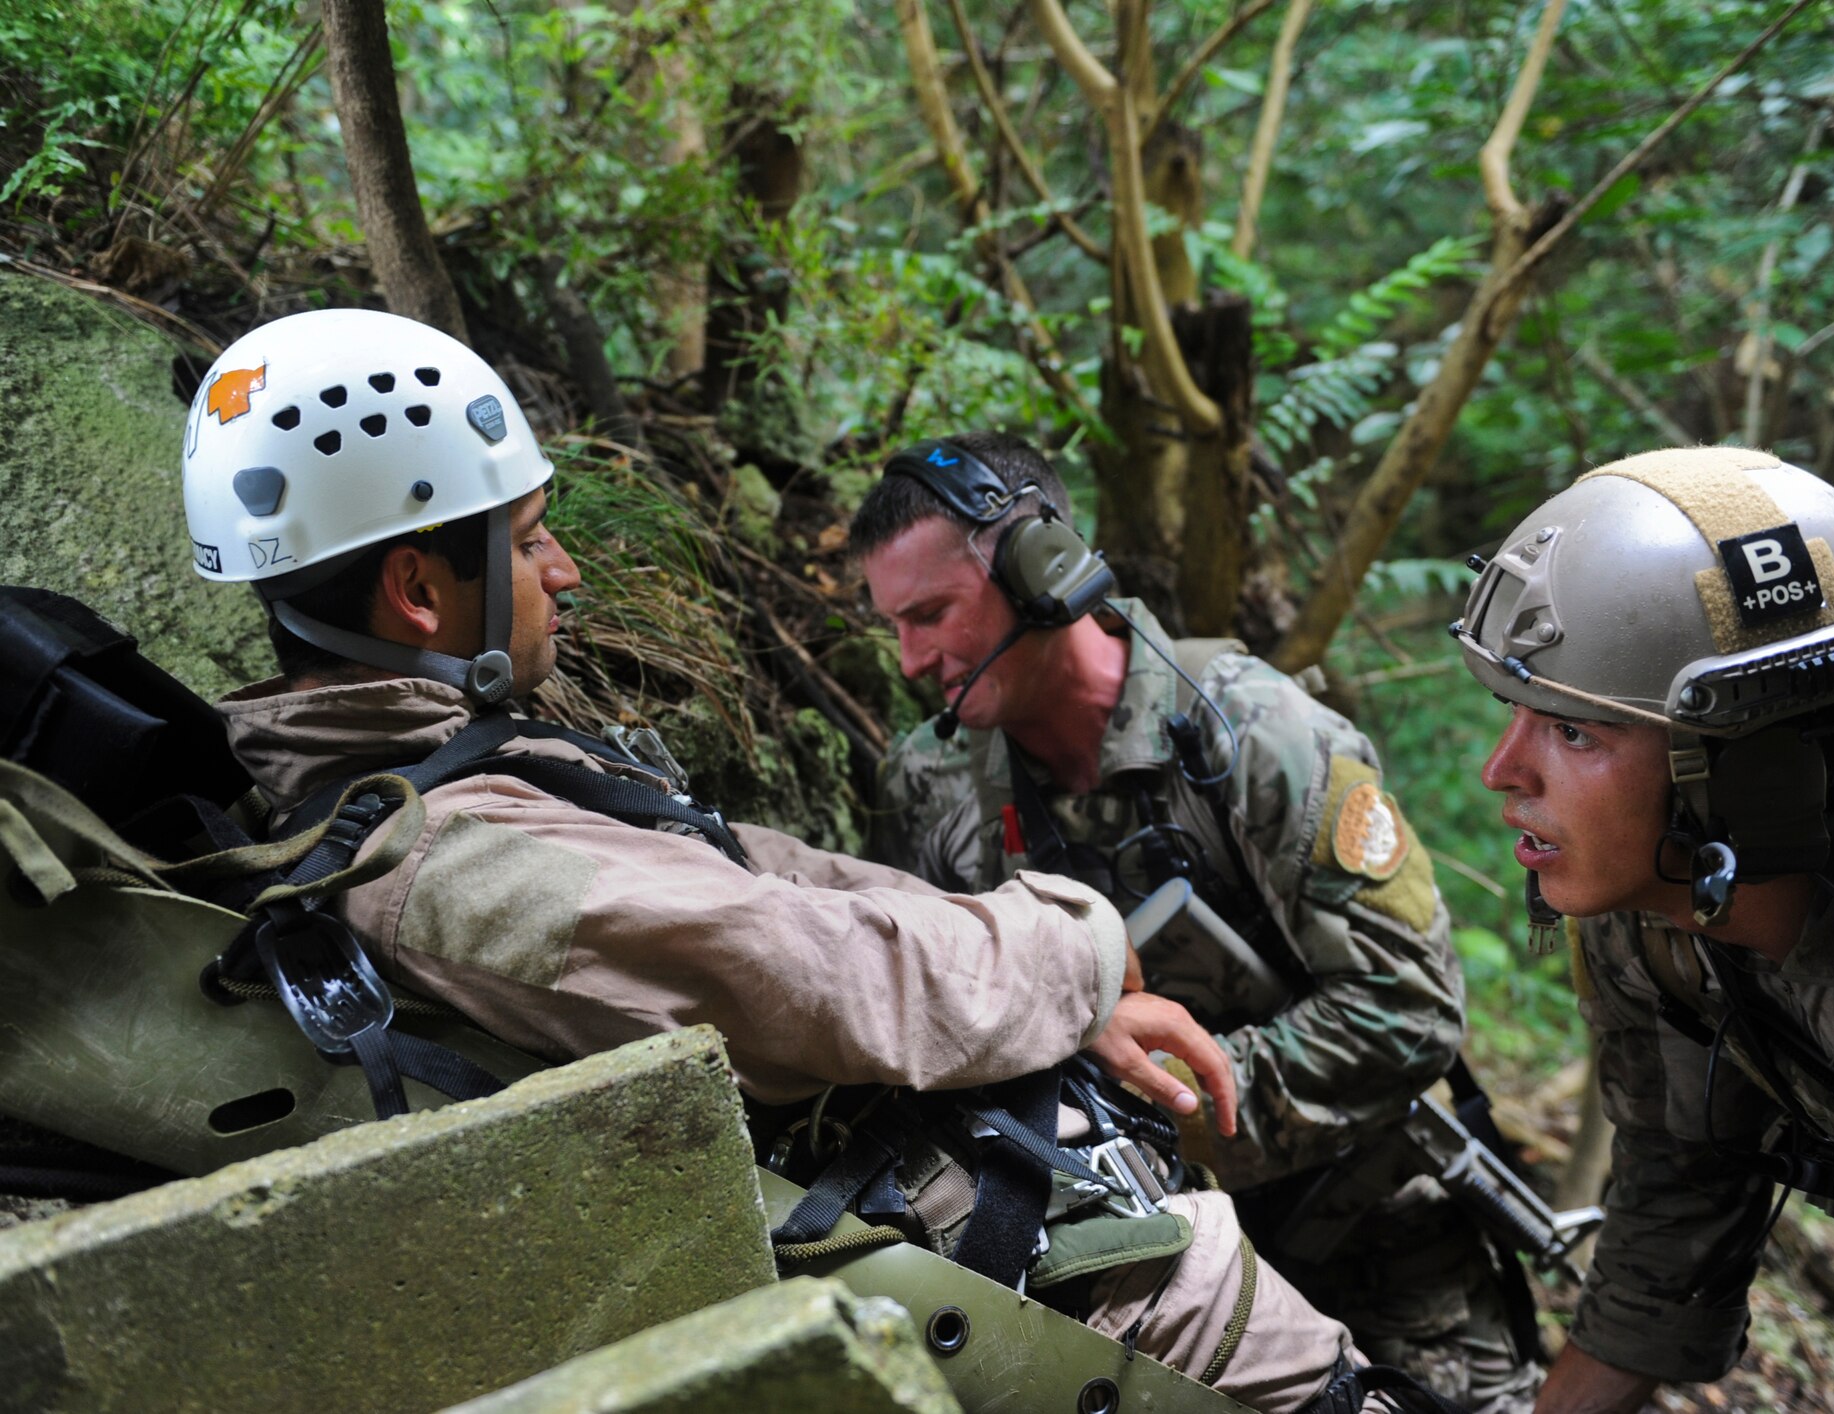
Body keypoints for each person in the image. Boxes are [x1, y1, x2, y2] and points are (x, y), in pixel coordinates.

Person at [179, 307, 1410, 1414]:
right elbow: (800, 967)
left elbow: (760, 871)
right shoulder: (448, 856)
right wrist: (1072, 948)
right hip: (1069, 1296)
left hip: (1074, 1224)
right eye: (530, 538)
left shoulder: (459, 785)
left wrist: (1055, 984)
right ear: (415, 588)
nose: (562, 570)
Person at [850, 432, 1543, 1411]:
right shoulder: (932, 786)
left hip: (1370, 1231)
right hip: (1142, 1264)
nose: (912, 658)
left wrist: (1167, 1107)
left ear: (1041, 573)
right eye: (894, 624)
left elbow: (1410, 1006)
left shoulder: (1251, 735)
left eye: (930, 614)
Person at [1456, 445, 1834, 1413]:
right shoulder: (1657, 920)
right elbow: (1665, 1245)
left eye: (1572, 731)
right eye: (1516, 711)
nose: (1501, 770)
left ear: (1746, 769)